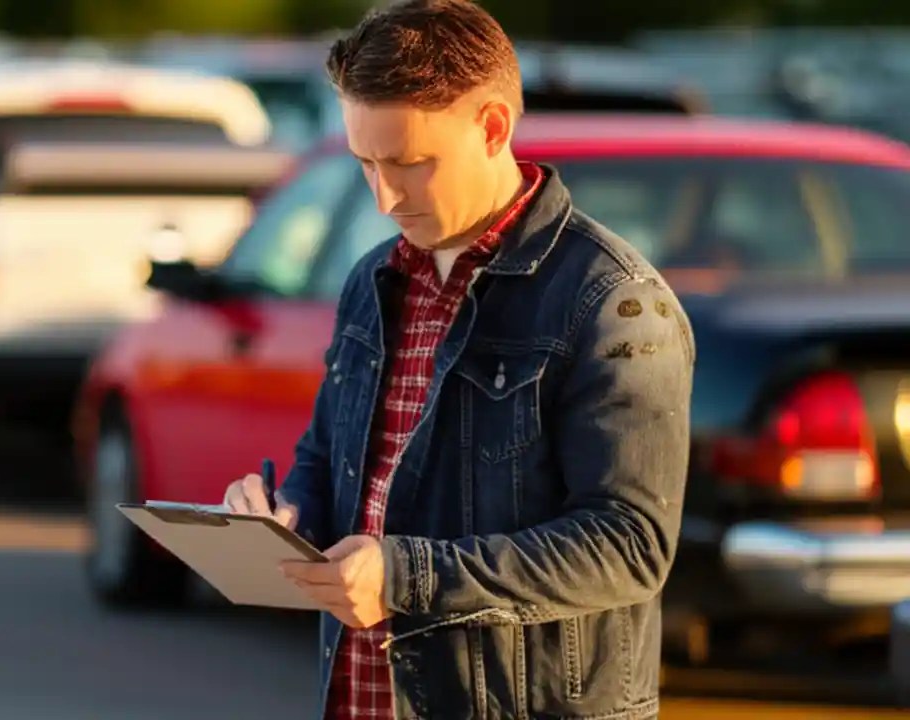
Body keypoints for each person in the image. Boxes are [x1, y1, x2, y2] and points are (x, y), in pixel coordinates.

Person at [223, 0, 695, 718]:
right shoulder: (373, 280)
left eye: (408, 164)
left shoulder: (613, 302)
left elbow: (629, 546)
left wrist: (405, 574)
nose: (382, 197)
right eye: (365, 164)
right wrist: (283, 516)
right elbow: (328, 460)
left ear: (494, 127)